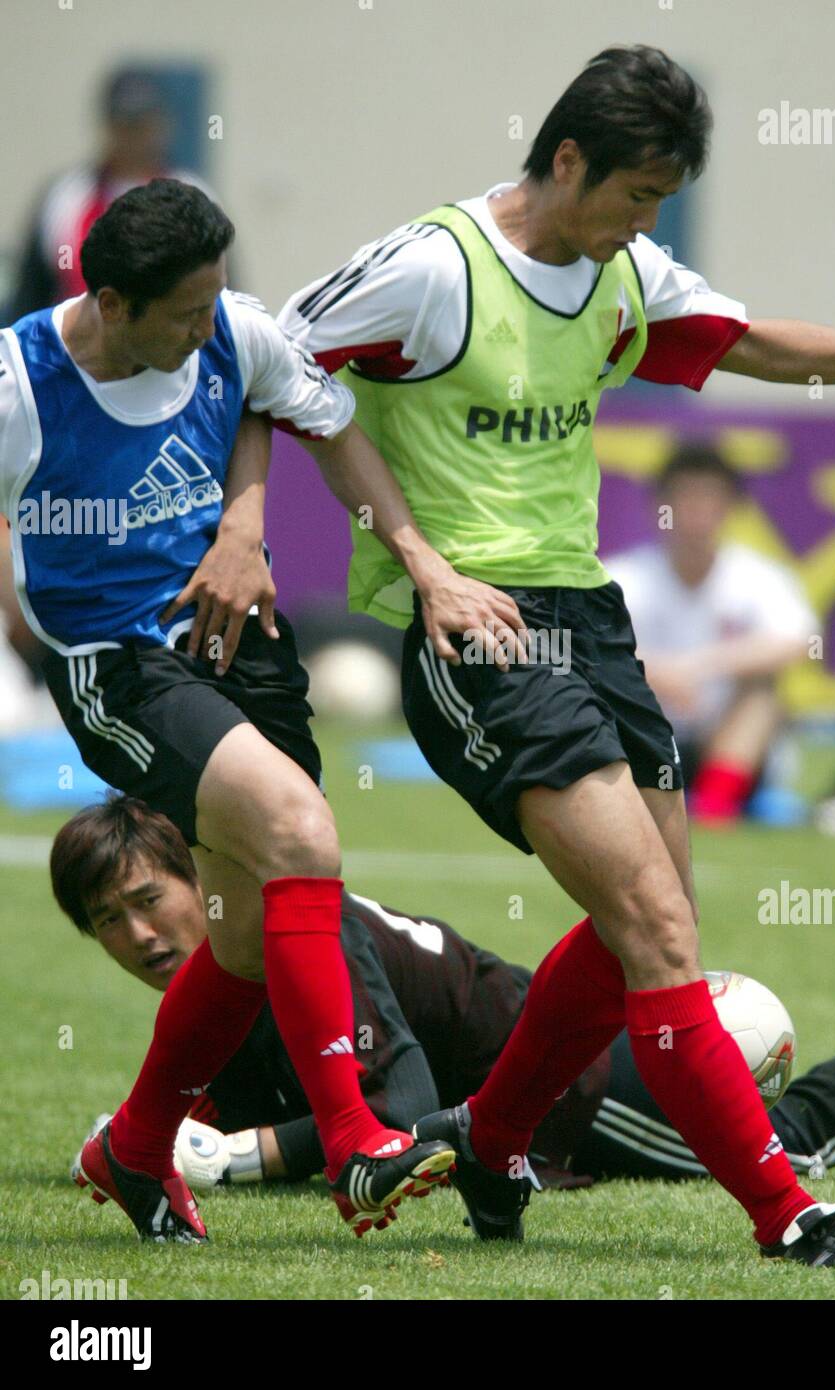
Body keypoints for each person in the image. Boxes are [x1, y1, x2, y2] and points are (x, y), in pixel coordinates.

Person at [276, 45, 835, 1265]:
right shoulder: (432, 267)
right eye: (636, 194)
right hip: (481, 633)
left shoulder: (621, 270)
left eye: (661, 200)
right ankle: (789, 1213)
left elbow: (753, 342)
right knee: (664, 938)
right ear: (565, 159)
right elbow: (278, 362)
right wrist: (417, 561)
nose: (646, 223)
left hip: (588, 617)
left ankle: (495, 1135)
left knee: (650, 918)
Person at [0, 177, 526, 1242]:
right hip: (119, 668)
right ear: (110, 302)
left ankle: (134, 1148)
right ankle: (355, 1144)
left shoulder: (232, 333)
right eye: (186, 311)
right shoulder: (20, 379)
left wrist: (424, 567)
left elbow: (326, 430)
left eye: (216, 301)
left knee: (241, 943)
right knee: (300, 833)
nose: (211, 326)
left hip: (248, 656)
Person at [55, 795, 835, 1197]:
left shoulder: (304, 940)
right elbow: (279, 1084)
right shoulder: (232, 967)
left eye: (150, 899)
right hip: (516, 1067)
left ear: (201, 874)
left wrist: (239, 1154)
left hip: (569, 1083)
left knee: (802, 1139)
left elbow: (393, 1121)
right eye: (109, 919)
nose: (139, 933)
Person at [607, 442, 817, 824]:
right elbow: (586, 647)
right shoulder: (622, 576)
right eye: (684, 498)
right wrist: (655, 672)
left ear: (731, 506)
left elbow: (797, 641)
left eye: (709, 498)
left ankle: (715, 806)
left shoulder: (759, 576)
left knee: (762, 692)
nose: (697, 512)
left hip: (720, 737)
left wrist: (696, 668)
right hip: (645, 734)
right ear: (659, 506)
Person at [3, 68, 220, 323]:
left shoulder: (194, 195)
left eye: (143, 123)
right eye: (125, 124)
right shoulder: (65, 197)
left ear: (163, 124)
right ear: (107, 125)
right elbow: (32, 292)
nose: (135, 135)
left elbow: (222, 293)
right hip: (77, 352)